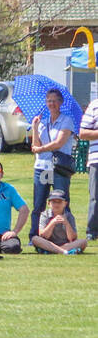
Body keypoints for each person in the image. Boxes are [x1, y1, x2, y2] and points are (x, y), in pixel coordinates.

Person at [29, 87, 75, 239]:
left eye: (55, 101)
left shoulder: (66, 120)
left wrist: (40, 148)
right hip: (42, 167)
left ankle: (65, 236)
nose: (52, 103)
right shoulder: (43, 121)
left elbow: (59, 143)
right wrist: (35, 127)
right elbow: (35, 146)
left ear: (60, 102)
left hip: (59, 167)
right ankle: (35, 236)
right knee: (39, 203)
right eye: (49, 100)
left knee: (62, 201)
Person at [30, 189, 87, 254]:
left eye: (59, 202)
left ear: (65, 204)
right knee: (35, 239)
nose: (56, 204)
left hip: (65, 244)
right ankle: (64, 252)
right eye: (54, 202)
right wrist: (52, 223)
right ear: (48, 203)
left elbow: (72, 238)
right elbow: (43, 236)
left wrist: (66, 223)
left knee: (83, 242)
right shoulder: (44, 215)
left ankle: (52, 251)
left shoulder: (69, 216)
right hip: (49, 243)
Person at [79, 94, 98, 243]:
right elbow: (83, 133)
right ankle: (92, 231)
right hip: (96, 159)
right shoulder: (94, 105)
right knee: (95, 197)